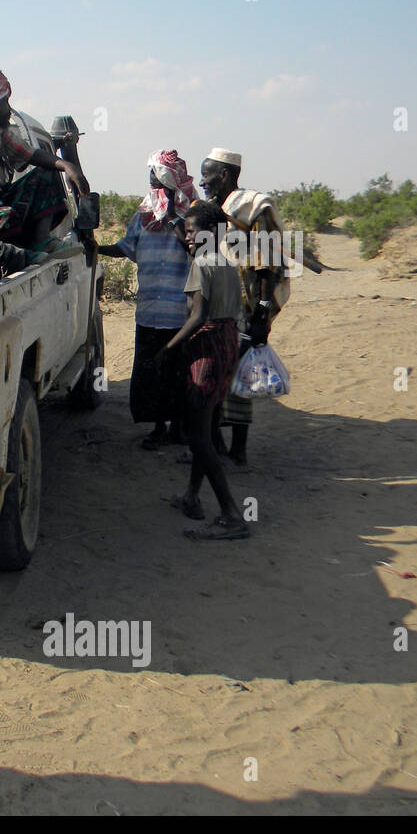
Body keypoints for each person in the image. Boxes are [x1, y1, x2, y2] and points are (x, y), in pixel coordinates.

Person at [199, 147, 301, 466]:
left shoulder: (255, 206)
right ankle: (213, 446)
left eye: (208, 175)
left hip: (245, 307)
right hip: (214, 305)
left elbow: (267, 260)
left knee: (240, 378)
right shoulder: (212, 207)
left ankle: (238, 450)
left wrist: (263, 311)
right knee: (213, 375)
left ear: (226, 175)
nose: (203, 182)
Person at [155, 200, 249, 540]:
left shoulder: (200, 265)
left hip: (206, 347)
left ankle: (231, 515)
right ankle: (192, 497)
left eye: (192, 230)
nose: (187, 236)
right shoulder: (224, 262)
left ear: (208, 232)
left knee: (198, 434)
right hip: (226, 343)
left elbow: (197, 316)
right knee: (205, 428)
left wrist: (168, 349)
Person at [97, 150, 197, 449]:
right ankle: (158, 427)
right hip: (150, 310)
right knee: (152, 372)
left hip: (183, 313)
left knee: (180, 373)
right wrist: (96, 248)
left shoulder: (191, 216)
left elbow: (199, 251)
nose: (151, 181)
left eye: (155, 175)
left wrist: (170, 219)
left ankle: (179, 427)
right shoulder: (142, 216)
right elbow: (126, 248)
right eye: (150, 176)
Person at [0, 65, 89, 248]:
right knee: (4, 214)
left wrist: (67, 166)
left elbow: (32, 154)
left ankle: (40, 241)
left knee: (47, 172)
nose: (9, 110)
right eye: (5, 103)